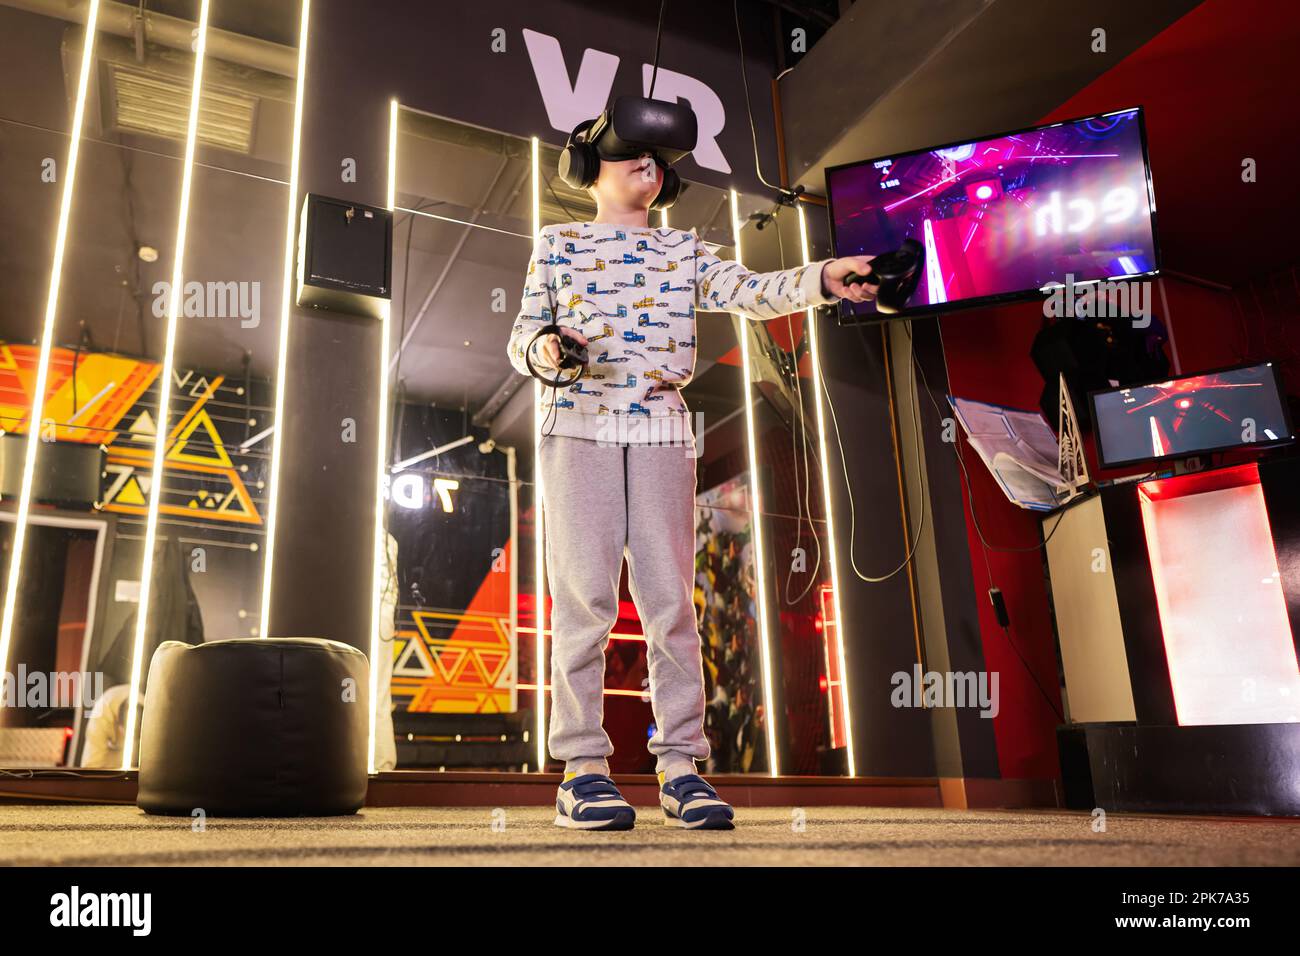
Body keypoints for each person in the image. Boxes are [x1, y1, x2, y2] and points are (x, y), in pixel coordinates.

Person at [506, 140, 879, 830]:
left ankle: (680, 766)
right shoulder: (557, 242)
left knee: (670, 602)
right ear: (589, 169)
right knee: (584, 598)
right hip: (577, 423)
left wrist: (826, 277)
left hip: (659, 426)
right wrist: (545, 350)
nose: (646, 163)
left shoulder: (686, 252)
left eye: (654, 156)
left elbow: (754, 292)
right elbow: (521, 338)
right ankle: (582, 769)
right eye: (628, 153)